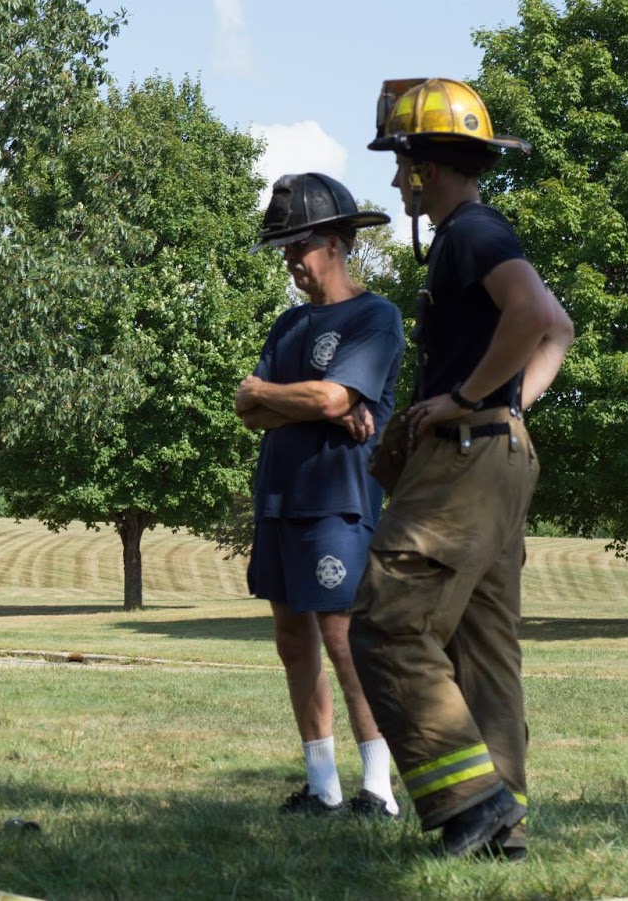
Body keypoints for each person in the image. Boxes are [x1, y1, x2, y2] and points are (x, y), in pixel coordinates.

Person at [351, 77, 574, 860]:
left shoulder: (471, 234)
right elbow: (560, 329)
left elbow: (538, 320)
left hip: (467, 456)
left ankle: (468, 800)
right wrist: (513, 405)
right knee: (483, 644)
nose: (395, 180)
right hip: (500, 450)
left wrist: (469, 399)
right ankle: (500, 821)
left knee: (387, 619)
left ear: (425, 168)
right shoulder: (480, 232)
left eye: (400, 163)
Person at [236, 172, 405, 819]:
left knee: (343, 637)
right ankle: (322, 785)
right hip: (279, 498)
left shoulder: (375, 317)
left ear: (334, 242)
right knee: (291, 637)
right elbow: (245, 407)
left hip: (339, 503)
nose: (288, 259)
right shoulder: (288, 325)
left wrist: (298, 399)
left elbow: (334, 396)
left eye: (297, 244)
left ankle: (378, 787)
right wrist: (309, 403)